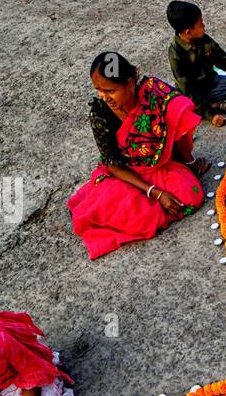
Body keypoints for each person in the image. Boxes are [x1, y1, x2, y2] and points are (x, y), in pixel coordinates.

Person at [66, 52, 207, 260]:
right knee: (139, 217)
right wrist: (155, 193)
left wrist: (189, 162)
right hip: (125, 174)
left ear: (130, 83)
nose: (104, 96)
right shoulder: (100, 113)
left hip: (159, 166)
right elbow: (113, 164)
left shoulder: (153, 94)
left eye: (110, 90)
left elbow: (177, 120)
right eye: (98, 90)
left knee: (191, 196)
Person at [166, 0, 226, 125]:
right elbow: (187, 90)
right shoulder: (176, 54)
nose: (204, 26)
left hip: (211, 83)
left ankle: (212, 104)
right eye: (201, 24)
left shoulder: (203, 39)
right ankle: (213, 106)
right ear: (188, 32)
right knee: (182, 104)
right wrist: (211, 116)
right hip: (193, 92)